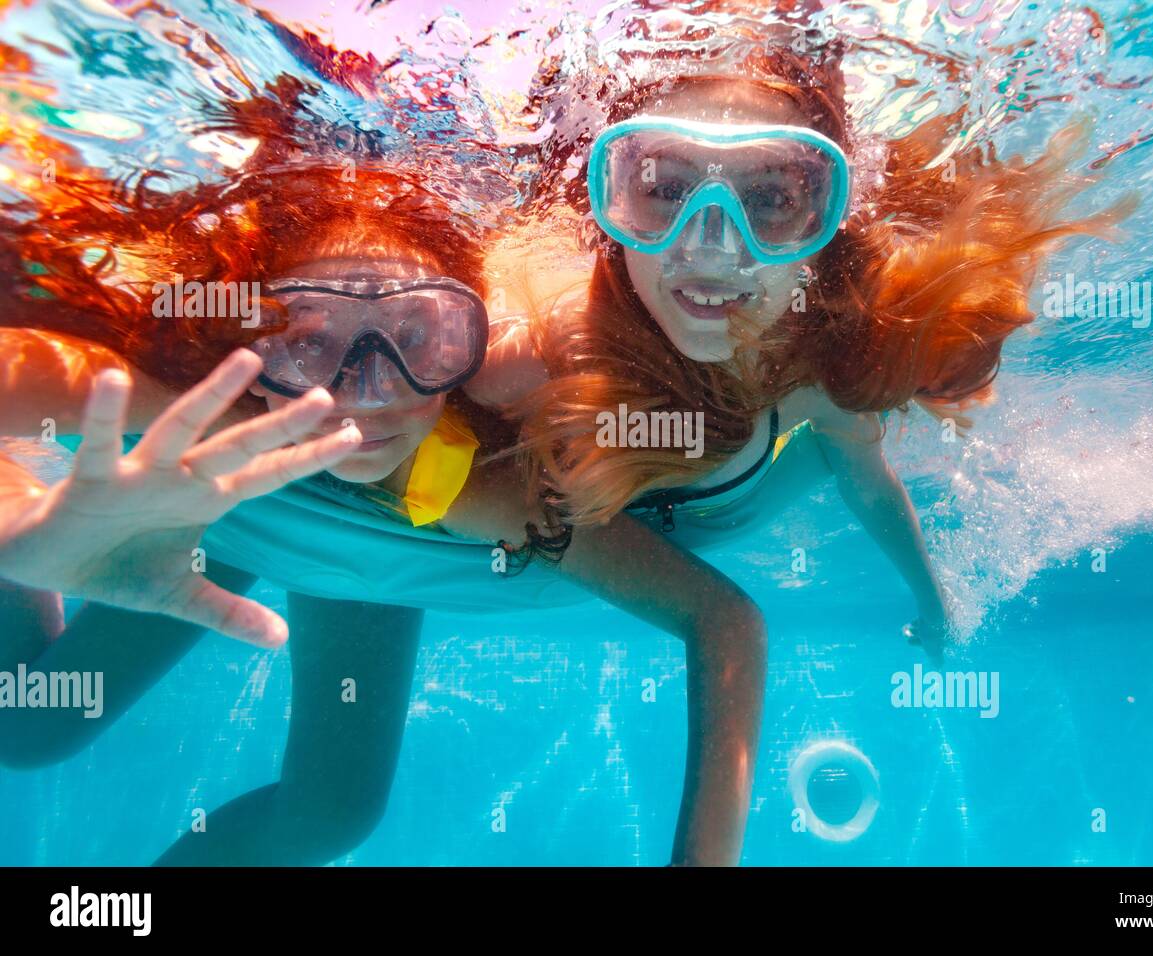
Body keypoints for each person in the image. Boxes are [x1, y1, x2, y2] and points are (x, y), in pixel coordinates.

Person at [0, 83, 764, 866]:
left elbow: (719, 617)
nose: (368, 391)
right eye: (309, 336)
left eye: (418, 337)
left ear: (466, 347)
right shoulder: (187, 391)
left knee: (334, 815)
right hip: (194, 517)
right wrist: (18, 526)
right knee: (29, 729)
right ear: (252, 333)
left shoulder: (470, 484)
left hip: (353, 548)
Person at [494, 13, 1127, 660]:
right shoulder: (541, 348)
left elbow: (870, 484)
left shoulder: (816, 372)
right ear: (612, 201)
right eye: (665, 188)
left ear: (822, 224)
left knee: (839, 438)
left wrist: (932, 599)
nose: (711, 249)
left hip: (737, 510)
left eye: (767, 200)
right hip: (648, 528)